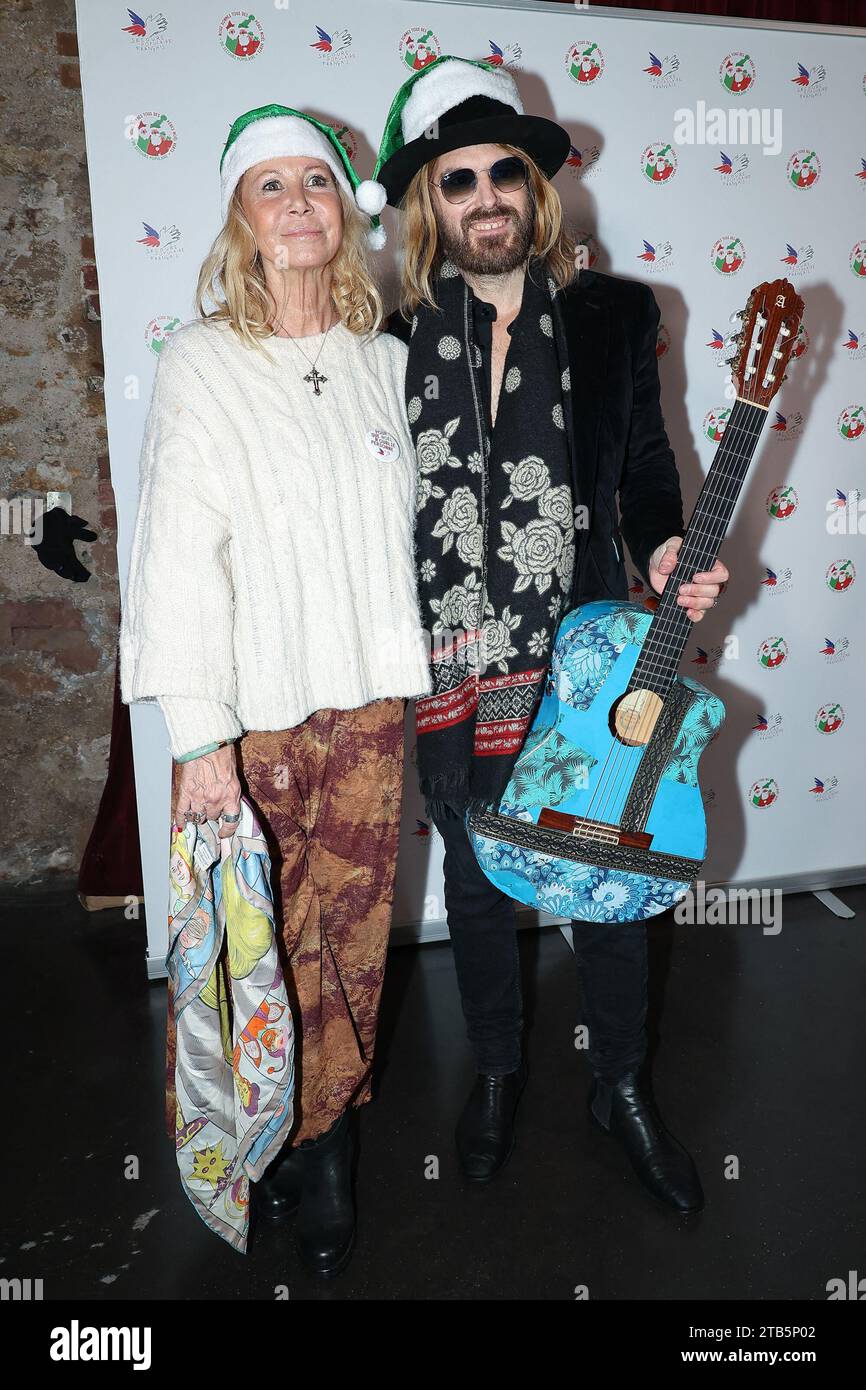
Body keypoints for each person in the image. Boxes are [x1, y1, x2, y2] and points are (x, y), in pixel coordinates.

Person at [369, 56, 729, 1212]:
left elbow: (642, 475)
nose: (484, 198)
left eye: (502, 175)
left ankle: (617, 1084)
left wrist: (667, 547)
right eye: (457, 179)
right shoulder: (391, 336)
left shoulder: (614, 316)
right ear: (433, 203)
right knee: (476, 889)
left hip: (581, 654)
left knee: (605, 885)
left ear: (535, 188)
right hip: (449, 668)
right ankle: (499, 1070)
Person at [119, 103, 432, 1275]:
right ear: (242, 222)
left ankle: (327, 1143)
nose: (298, 202)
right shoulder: (200, 361)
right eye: (270, 187)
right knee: (248, 949)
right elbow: (172, 558)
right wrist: (198, 737)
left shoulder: (386, 362)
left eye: (315, 181)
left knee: (346, 943)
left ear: (345, 212)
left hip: (367, 708)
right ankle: (261, 1134)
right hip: (245, 720)